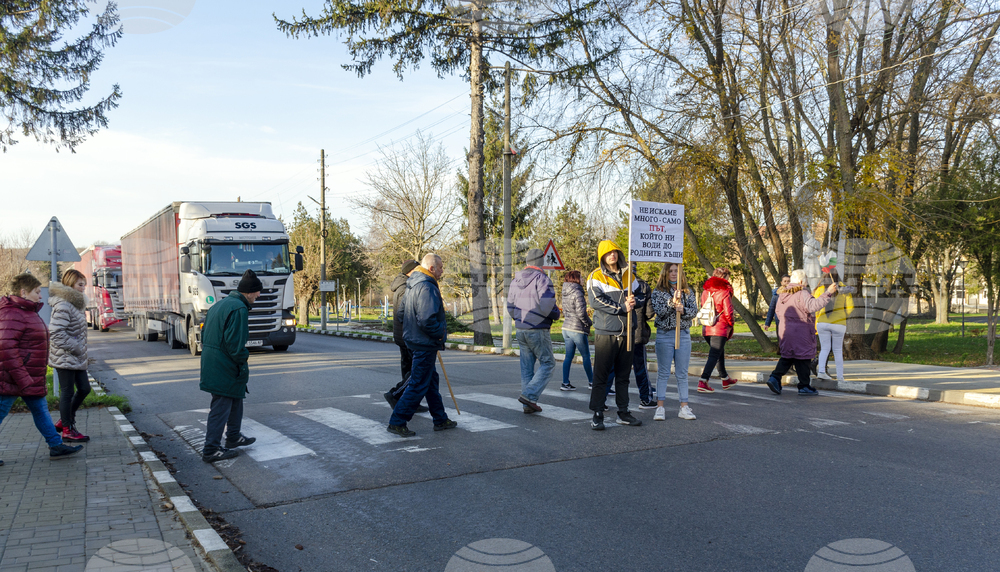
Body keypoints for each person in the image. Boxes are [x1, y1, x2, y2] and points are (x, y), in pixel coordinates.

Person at [0, 273, 83, 462]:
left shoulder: (26, 311)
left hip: (28, 376)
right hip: (13, 377)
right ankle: (55, 445)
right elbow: (6, 347)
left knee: (40, 410)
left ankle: (55, 445)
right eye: (37, 292)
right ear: (23, 292)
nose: (40, 296)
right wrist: (23, 378)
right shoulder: (12, 313)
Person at [387, 253, 457, 437]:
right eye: (441, 267)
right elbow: (427, 319)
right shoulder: (427, 286)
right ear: (432, 268)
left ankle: (440, 419)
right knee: (418, 384)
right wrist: (440, 334)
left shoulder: (412, 284)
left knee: (431, 382)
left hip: (415, 340)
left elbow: (401, 314)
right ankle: (397, 421)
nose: (443, 270)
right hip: (424, 343)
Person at [199, 269, 260, 463]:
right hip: (225, 364)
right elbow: (235, 345)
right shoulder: (239, 309)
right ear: (249, 292)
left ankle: (233, 437)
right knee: (221, 406)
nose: (259, 295)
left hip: (213, 361)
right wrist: (244, 358)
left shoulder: (220, 305)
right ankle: (211, 449)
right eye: (258, 292)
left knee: (235, 398)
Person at [587, 240, 645, 430]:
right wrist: (622, 307)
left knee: (623, 376)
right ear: (602, 256)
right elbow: (596, 301)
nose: (612, 255)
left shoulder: (630, 275)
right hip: (606, 333)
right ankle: (597, 413)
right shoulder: (596, 276)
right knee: (601, 376)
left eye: (615, 252)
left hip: (628, 332)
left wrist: (635, 301)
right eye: (608, 253)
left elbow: (643, 295)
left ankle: (623, 412)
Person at [765, 269, 837, 396]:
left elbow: (777, 312)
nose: (807, 283)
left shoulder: (782, 294)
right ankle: (804, 386)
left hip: (786, 331)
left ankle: (775, 377)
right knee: (803, 358)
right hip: (801, 331)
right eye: (806, 281)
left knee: (788, 356)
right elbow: (813, 306)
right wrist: (828, 293)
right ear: (801, 281)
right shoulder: (802, 293)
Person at [507, 248, 561, 413]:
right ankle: (529, 396)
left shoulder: (515, 280)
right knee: (548, 363)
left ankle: (527, 405)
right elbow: (547, 306)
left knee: (526, 368)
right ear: (541, 262)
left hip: (521, 328)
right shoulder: (542, 279)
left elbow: (510, 306)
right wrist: (556, 313)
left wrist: (518, 318)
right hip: (537, 328)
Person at [650, 263, 699, 421]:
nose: (673, 273)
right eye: (670, 271)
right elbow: (660, 312)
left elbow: (694, 311)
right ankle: (660, 407)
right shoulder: (658, 292)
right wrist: (672, 302)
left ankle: (684, 407)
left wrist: (683, 310)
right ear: (665, 272)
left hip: (683, 334)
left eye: (676, 271)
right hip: (665, 334)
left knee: (682, 373)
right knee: (663, 372)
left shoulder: (687, 291)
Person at [604, 262, 656, 408]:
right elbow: (649, 313)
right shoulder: (643, 286)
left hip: (618, 330)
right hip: (637, 333)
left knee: (613, 367)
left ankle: (602, 399)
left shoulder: (615, 284)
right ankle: (645, 398)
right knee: (640, 368)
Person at [49, 269, 91, 442]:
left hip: (75, 356)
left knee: (84, 389)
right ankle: (67, 429)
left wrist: (79, 348)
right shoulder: (64, 305)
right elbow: (56, 332)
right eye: (80, 285)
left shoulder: (75, 304)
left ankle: (64, 422)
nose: (83, 288)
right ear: (70, 284)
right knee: (67, 392)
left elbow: (73, 331)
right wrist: (76, 347)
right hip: (65, 356)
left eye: (84, 285)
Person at [384, 259, 428, 412]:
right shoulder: (404, 287)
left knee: (410, 368)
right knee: (415, 370)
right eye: (418, 269)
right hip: (407, 335)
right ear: (411, 271)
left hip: (405, 334)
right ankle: (396, 395)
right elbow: (407, 313)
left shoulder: (404, 285)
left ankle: (409, 401)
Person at [696, 267, 737, 393]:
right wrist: (731, 324)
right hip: (719, 328)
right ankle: (703, 381)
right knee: (714, 355)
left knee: (719, 353)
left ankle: (725, 378)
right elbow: (728, 312)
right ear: (724, 278)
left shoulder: (705, 292)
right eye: (728, 278)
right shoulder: (724, 292)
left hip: (707, 327)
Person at [814, 269, 853, 382]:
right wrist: (843, 316)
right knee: (837, 350)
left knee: (824, 348)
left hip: (822, 322)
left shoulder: (820, 289)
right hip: (839, 323)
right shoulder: (844, 290)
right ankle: (840, 377)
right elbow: (851, 308)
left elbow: (815, 306)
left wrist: (817, 319)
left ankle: (821, 371)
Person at [560, 270, 592, 391]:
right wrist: (588, 323)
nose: (583, 280)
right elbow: (581, 313)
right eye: (581, 277)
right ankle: (592, 382)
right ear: (576, 279)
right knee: (586, 356)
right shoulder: (578, 292)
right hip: (577, 329)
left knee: (568, 356)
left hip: (566, 327)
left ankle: (565, 382)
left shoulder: (565, 292)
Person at [763, 274, 790, 343]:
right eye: (785, 281)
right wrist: (767, 323)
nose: (787, 283)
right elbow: (771, 309)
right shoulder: (776, 295)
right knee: (781, 340)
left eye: (788, 281)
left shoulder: (794, 294)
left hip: (791, 321)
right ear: (781, 283)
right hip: (780, 321)